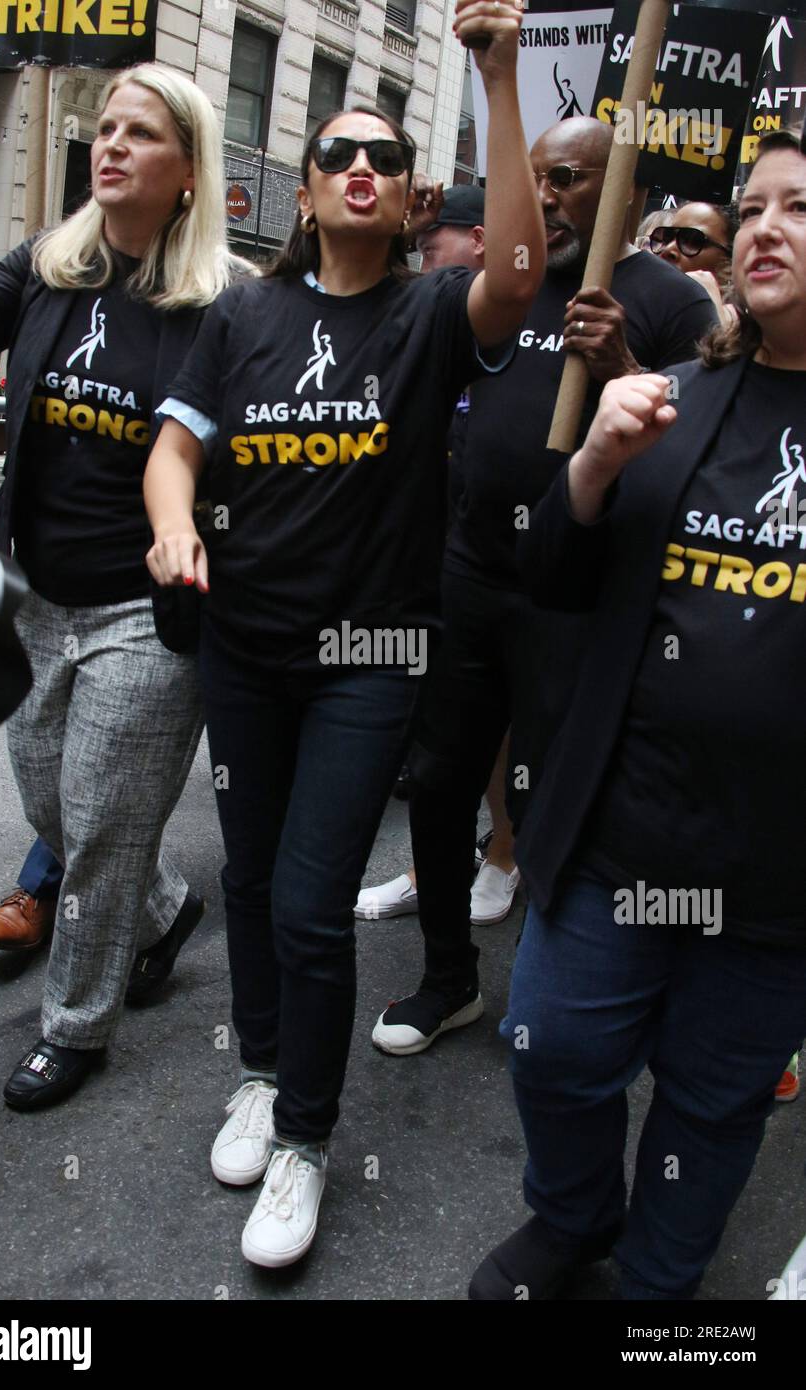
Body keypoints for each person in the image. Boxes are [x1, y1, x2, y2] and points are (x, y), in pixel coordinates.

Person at [144, 0, 545, 1268]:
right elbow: (172, 451)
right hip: (245, 652)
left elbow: (524, 274)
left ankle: (308, 1137)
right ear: (307, 196)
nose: (359, 167)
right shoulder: (242, 319)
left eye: (381, 157)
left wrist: (497, 79)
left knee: (313, 902)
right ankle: (260, 1071)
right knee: (254, 886)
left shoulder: (430, 316)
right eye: (336, 156)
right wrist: (171, 527)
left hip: (370, 661)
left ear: (406, 198)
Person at [471, 127, 806, 1301]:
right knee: (553, 1047)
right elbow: (555, 581)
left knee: (713, 1101)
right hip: (619, 835)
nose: (763, 227)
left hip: (771, 881)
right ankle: (571, 1215)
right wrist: (589, 472)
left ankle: (657, 1277)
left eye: (796, 208)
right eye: (750, 206)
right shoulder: (675, 401)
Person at [370, 116, 719, 1057]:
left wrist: (625, 368)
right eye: (537, 178)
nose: (551, 196)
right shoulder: (503, 285)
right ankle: (449, 979)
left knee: (554, 801)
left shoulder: (668, 302)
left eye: (570, 178)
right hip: (469, 579)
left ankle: (550, 987)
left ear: (628, 198)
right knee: (441, 782)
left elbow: (709, 463)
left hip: (580, 600)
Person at [0, 63, 251, 1108]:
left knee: (104, 823)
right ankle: (159, 912)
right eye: (105, 128)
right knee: (55, 807)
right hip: (31, 599)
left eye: (141, 134)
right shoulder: (44, 266)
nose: (110, 145)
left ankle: (75, 1026)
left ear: (188, 169)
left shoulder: (227, 307)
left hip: (145, 612)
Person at [356, 184, 521, 929]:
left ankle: (508, 857)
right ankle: (433, 868)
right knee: (434, 744)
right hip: (427, 565)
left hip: (509, 571)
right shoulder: (421, 317)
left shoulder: (507, 318)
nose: (422, 253)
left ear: (481, 241)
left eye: (435, 241)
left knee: (498, 734)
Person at [649, 199, 739, 326]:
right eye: (667, 238)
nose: (668, 249)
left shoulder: (750, 334)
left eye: (692, 240)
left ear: (730, 263)